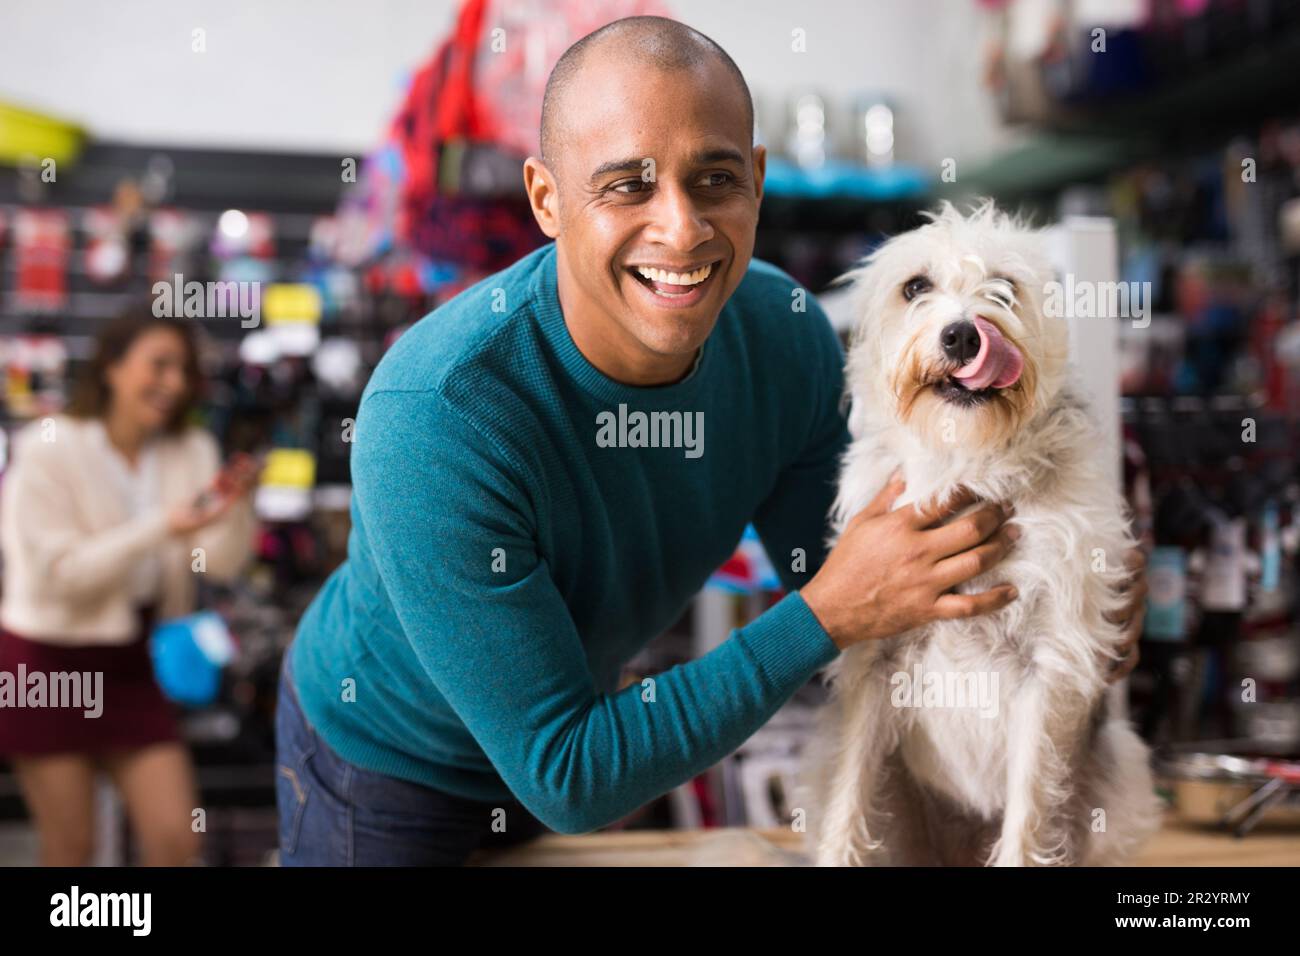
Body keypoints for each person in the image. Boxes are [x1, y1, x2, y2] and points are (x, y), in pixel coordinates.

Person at [277, 15, 1144, 866]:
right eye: (627, 185)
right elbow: (573, 773)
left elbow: (865, 578)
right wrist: (826, 613)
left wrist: (1058, 597)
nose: (682, 228)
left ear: (758, 182)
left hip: (570, 735)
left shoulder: (785, 338)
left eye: (715, 180)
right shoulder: (439, 414)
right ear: (547, 198)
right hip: (388, 762)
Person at [0, 313, 258, 865]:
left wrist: (239, 507)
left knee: (175, 839)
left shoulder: (188, 449)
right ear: (112, 367)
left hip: (129, 660)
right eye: (158, 365)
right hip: (45, 664)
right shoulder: (49, 449)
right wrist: (164, 525)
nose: (173, 383)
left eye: (184, 370)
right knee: (70, 847)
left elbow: (217, 563)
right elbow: (58, 577)